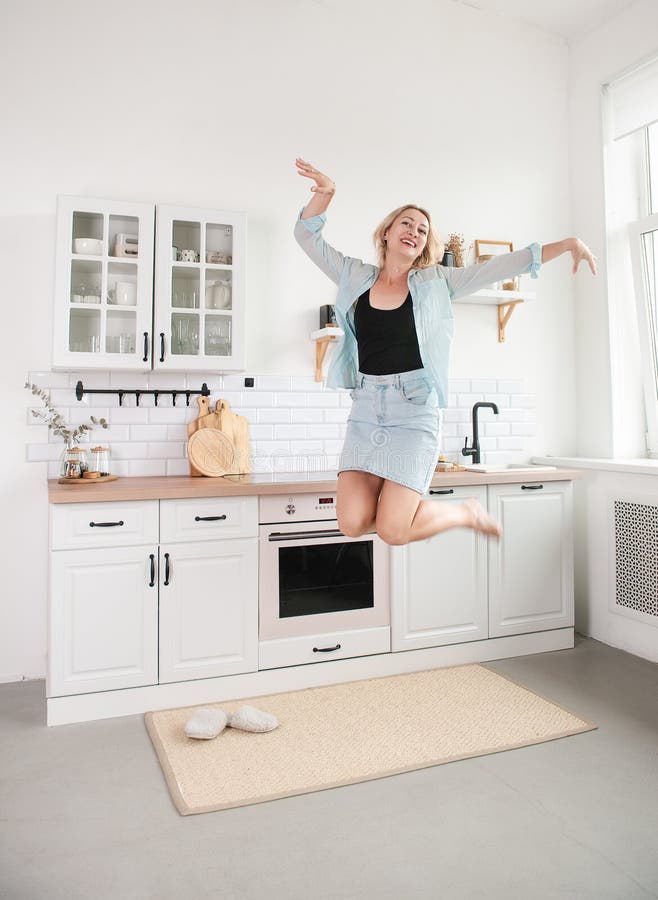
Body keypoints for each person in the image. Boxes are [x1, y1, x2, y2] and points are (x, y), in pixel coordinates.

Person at [294, 157, 597, 546]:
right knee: (351, 523)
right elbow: (307, 237)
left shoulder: (438, 282)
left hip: (414, 410)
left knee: (392, 530)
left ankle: (462, 512)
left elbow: (502, 266)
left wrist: (568, 243)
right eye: (406, 223)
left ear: (424, 244)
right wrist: (326, 194)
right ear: (386, 232)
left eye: (422, 230)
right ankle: (429, 509)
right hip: (366, 411)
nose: (414, 232)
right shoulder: (353, 274)